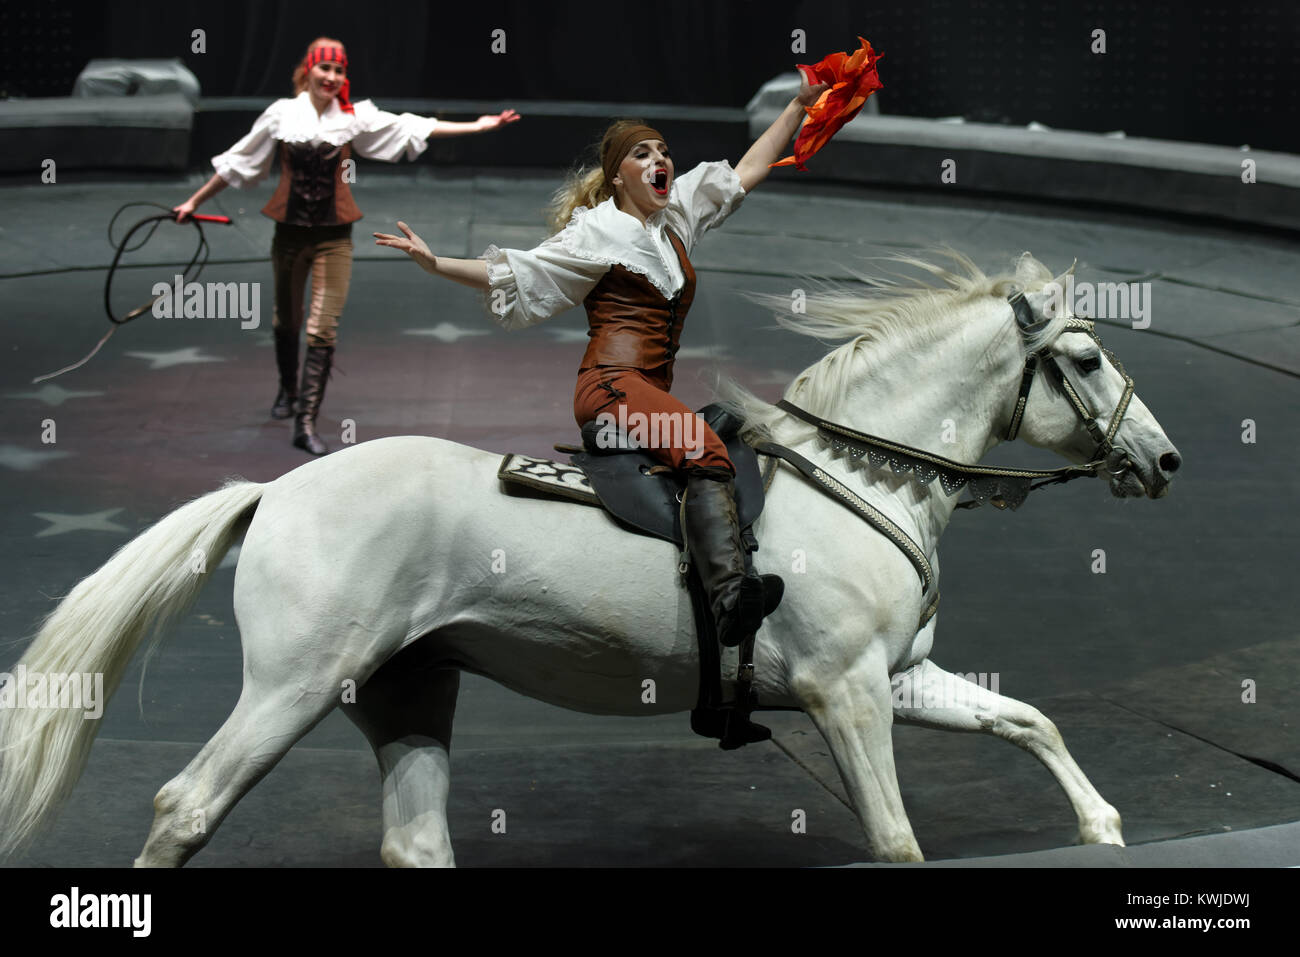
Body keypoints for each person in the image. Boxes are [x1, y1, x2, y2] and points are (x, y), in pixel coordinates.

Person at [374, 73, 831, 648]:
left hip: (648, 392)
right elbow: (513, 271)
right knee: (703, 449)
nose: (660, 159)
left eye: (664, 150)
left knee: (735, 435)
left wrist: (797, 107)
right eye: (643, 153)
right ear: (619, 175)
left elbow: (748, 171)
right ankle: (731, 597)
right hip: (610, 390)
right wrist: (436, 262)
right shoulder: (596, 234)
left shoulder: (675, 220)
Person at [174, 36, 520, 455]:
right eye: (325, 69)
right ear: (308, 70)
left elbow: (410, 125)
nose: (332, 78)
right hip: (288, 234)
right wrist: (194, 201)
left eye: (339, 71)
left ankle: (305, 421)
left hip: (334, 238)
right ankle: (287, 389)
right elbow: (239, 162)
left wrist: (479, 126)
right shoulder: (282, 115)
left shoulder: (353, 117)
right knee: (287, 318)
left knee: (323, 325)